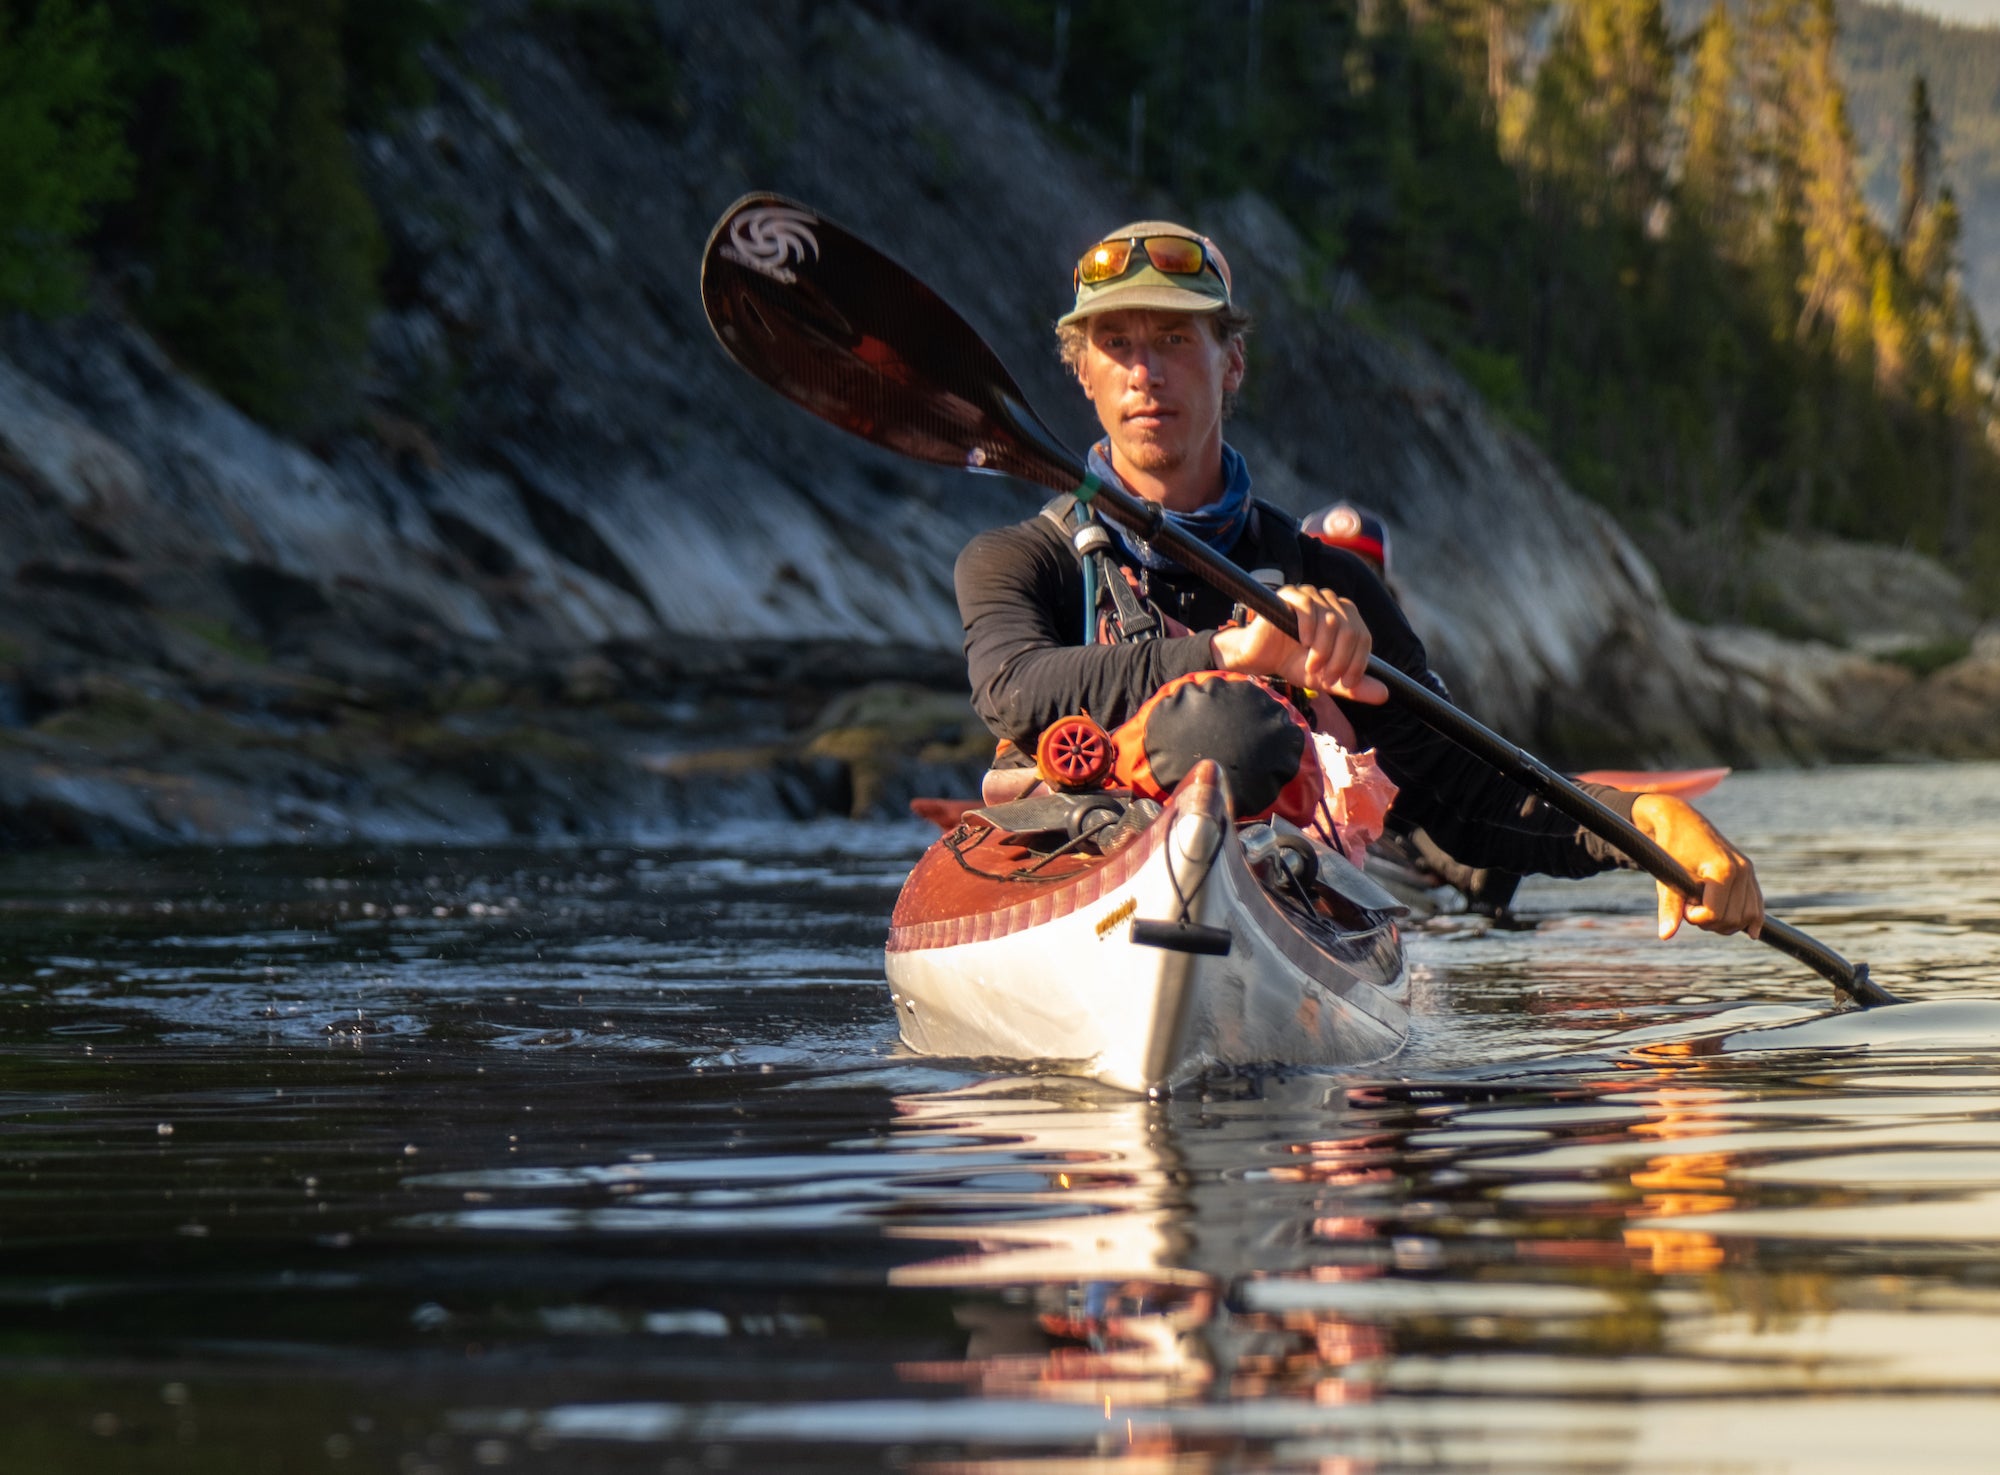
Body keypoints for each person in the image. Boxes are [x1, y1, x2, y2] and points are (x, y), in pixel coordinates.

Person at [952, 220, 1762, 942]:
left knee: (1240, 735)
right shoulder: (1020, 559)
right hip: (1079, 872)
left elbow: (1469, 799)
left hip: (1274, 898)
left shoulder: (1331, 583)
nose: (1144, 372)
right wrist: (1232, 655)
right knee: (1229, 725)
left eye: (1173, 339)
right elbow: (1013, 690)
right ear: (1083, 372)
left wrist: (1648, 822)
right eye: (1116, 344)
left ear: (1232, 362)